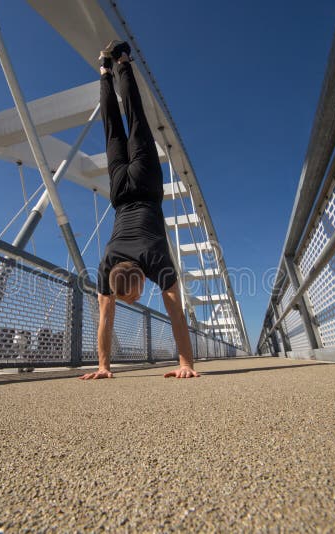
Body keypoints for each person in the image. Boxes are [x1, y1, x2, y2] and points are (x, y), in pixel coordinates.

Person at [80, 40, 199, 380]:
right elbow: (107, 317)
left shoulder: (156, 258)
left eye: (131, 298)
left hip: (146, 187)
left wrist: (186, 365)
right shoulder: (107, 261)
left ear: (142, 280)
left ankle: (122, 59)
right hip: (119, 191)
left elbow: (175, 314)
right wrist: (103, 366)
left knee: (135, 120)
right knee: (112, 130)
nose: (132, 301)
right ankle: (105, 69)